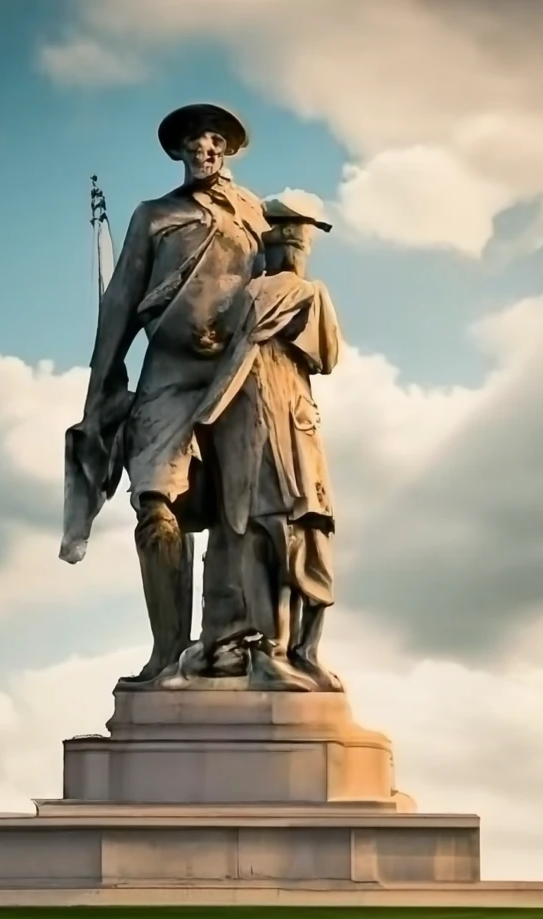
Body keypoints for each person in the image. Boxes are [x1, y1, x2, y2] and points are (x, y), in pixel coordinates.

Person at [63, 103, 270, 686]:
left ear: (226, 150)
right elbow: (120, 302)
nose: (205, 148)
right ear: (179, 150)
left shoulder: (256, 214)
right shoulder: (155, 215)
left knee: (243, 512)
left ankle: (228, 645)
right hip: (170, 374)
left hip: (239, 374)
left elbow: (284, 287)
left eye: (215, 140)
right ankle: (168, 654)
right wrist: (98, 390)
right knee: (156, 507)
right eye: (194, 140)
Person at [186, 191, 342, 690]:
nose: (304, 244)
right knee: (269, 532)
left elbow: (324, 355)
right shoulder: (290, 293)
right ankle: (276, 650)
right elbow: (328, 351)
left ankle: (298, 650)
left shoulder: (262, 296)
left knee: (297, 533)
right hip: (265, 421)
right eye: (300, 233)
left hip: (291, 422)